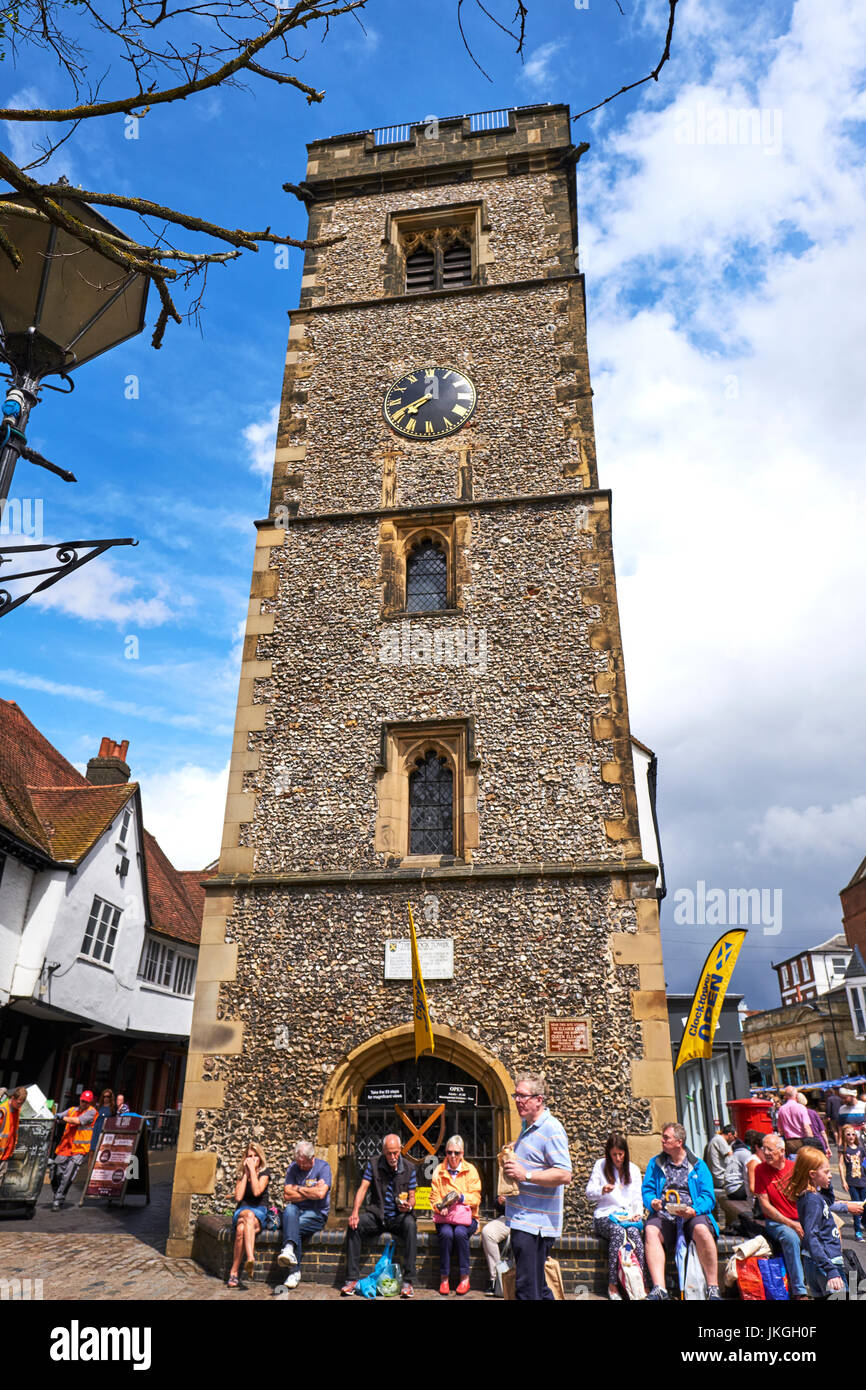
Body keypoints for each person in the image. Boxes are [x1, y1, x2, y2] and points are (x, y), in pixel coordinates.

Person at [502, 1070, 573, 1301]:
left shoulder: (551, 1129)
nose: (517, 1101)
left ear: (539, 1100)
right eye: (516, 1095)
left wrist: (526, 1175)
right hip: (524, 1217)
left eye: (523, 1096)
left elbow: (564, 1173)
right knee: (538, 1288)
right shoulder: (527, 1126)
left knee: (527, 1289)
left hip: (535, 1224)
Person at [642, 1122, 721, 1301]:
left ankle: (713, 1288)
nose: (662, 1140)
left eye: (666, 1138)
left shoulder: (698, 1165)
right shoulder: (656, 1163)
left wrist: (694, 1209)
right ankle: (659, 1289)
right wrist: (651, 1202)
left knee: (702, 1230)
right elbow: (647, 1189)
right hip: (664, 1213)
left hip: (691, 1213)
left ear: (679, 1142)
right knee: (651, 1230)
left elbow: (708, 1196)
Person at [342, 1134, 417, 1298]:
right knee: (355, 1225)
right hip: (378, 1215)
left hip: (398, 1217)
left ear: (400, 1150)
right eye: (389, 1153)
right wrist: (354, 1212)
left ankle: (409, 1281)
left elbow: (412, 1196)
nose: (393, 1157)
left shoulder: (410, 1168)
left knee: (411, 1225)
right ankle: (351, 1280)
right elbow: (362, 1188)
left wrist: (409, 1206)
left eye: (396, 1153)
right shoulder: (374, 1164)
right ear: (383, 1151)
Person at [786, 1144, 864, 1297]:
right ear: (812, 1174)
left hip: (816, 1263)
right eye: (826, 1172)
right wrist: (831, 1270)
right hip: (827, 1263)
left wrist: (827, 1186)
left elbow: (828, 1200)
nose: (830, 1176)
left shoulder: (811, 1197)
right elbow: (811, 1236)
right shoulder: (813, 1201)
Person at [586, 1130, 645, 1300]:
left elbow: (636, 1197)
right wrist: (601, 1190)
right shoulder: (601, 1166)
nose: (618, 1158)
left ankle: (641, 1284)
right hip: (605, 1216)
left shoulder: (632, 1169)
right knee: (618, 1233)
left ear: (625, 1153)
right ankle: (612, 1285)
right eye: (614, 1155)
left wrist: (637, 1214)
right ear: (608, 1154)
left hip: (625, 1217)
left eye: (620, 1154)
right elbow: (589, 1193)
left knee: (635, 1234)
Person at [752, 1132, 807, 1299]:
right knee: (791, 1238)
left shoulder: (794, 1168)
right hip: (777, 1222)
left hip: (800, 1218)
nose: (766, 1153)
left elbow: (807, 1197)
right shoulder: (760, 1169)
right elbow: (765, 1206)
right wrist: (791, 1224)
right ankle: (799, 1291)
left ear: (782, 1151)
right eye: (764, 1149)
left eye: (770, 1149)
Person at [275, 1139, 332, 1292]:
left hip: (317, 1214)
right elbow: (287, 1194)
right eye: (298, 1163)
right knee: (289, 1210)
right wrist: (310, 1191)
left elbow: (321, 1194)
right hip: (296, 1212)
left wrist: (298, 1189)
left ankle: (293, 1269)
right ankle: (289, 1254)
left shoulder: (323, 1167)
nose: (300, 1166)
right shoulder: (294, 1168)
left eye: (303, 1164)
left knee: (293, 1225)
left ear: (311, 1158)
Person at [430, 1134, 482, 1295]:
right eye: (449, 1152)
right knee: (446, 1233)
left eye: (456, 1153)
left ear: (462, 1154)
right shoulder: (439, 1170)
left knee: (459, 1233)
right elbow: (434, 1196)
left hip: (467, 1218)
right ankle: (444, 1278)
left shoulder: (470, 1170)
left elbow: (477, 1198)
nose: (453, 1156)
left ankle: (464, 1277)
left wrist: (462, 1197)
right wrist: (440, 1207)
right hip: (445, 1218)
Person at [227, 1141, 270, 1289]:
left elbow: (257, 1191)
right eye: (249, 1156)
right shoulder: (241, 1174)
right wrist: (246, 1173)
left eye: (254, 1156)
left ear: (260, 1157)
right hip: (242, 1211)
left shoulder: (265, 1173)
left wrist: (253, 1171)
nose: (251, 1159)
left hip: (260, 1211)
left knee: (241, 1230)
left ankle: (234, 1271)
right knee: (248, 1215)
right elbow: (238, 1197)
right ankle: (251, 1257)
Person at [49, 1090, 99, 1210]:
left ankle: (58, 1198)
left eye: (86, 1102)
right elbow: (60, 1117)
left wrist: (62, 1117)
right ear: (80, 1099)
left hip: (80, 1149)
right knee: (56, 1172)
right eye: (82, 1101)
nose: (83, 1103)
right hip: (65, 1146)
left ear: (90, 1102)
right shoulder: (72, 1110)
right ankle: (58, 1193)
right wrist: (57, 1117)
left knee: (68, 1174)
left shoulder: (92, 1112)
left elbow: (77, 1121)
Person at [704, 1124, 742, 1229]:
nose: (734, 1140)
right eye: (734, 1137)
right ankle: (737, 1219)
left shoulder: (715, 1139)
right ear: (730, 1134)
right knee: (742, 1186)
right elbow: (731, 1156)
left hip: (716, 1177)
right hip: (720, 1178)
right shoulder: (719, 1140)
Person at [838, 1124, 866, 1241]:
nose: (851, 1136)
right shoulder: (843, 1149)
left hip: (863, 1181)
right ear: (844, 1136)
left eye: (853, 1134)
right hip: (852, 1182)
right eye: (848, 1134)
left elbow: (864, 1162)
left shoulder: (860, 1148)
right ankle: (858, 1232)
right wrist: (843, 1180)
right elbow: (840, 1164)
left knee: (864, 1206)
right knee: (856, 1206)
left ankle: (863, 1224)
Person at [480, 1195, 508, 1296]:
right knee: (488, 1232)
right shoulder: (508, 1179)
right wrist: (500, 1201)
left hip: (530, 1219)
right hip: (510, 1217)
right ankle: (497, 1280)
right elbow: (497, 1204)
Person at [0, 1086, 27, 1186]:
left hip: (5, 1154)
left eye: (22, 1103)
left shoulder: (16, 1111)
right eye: (19, 1102)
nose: (20, 1105)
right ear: (13, 1098)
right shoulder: (3, 1110)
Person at [776, 1085, 813, 1155]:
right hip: (802, 1140)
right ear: (796, 1095)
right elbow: (806, 1126)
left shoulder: (781, 1109)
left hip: (789, 1142)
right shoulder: (801, 1107)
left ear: (785, 1096)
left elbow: (780, 1129)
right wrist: (811, 1140)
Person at [797, 1092, 829, 1157]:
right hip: (819, 1142)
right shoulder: (813, 1112)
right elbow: (822, 1131)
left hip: (806, 1144)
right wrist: (827, 1146)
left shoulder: (796, 1114)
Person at [89, 1088, 116, 1153]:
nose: (105, 1098)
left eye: (107, 1096)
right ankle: (90, 1163)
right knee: (92, 1151)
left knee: (101, 1152)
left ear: (111, 1098)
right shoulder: (99, 1107)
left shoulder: (113, 1108)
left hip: (105, 1132)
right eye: (104, 1096)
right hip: (96, 1131)